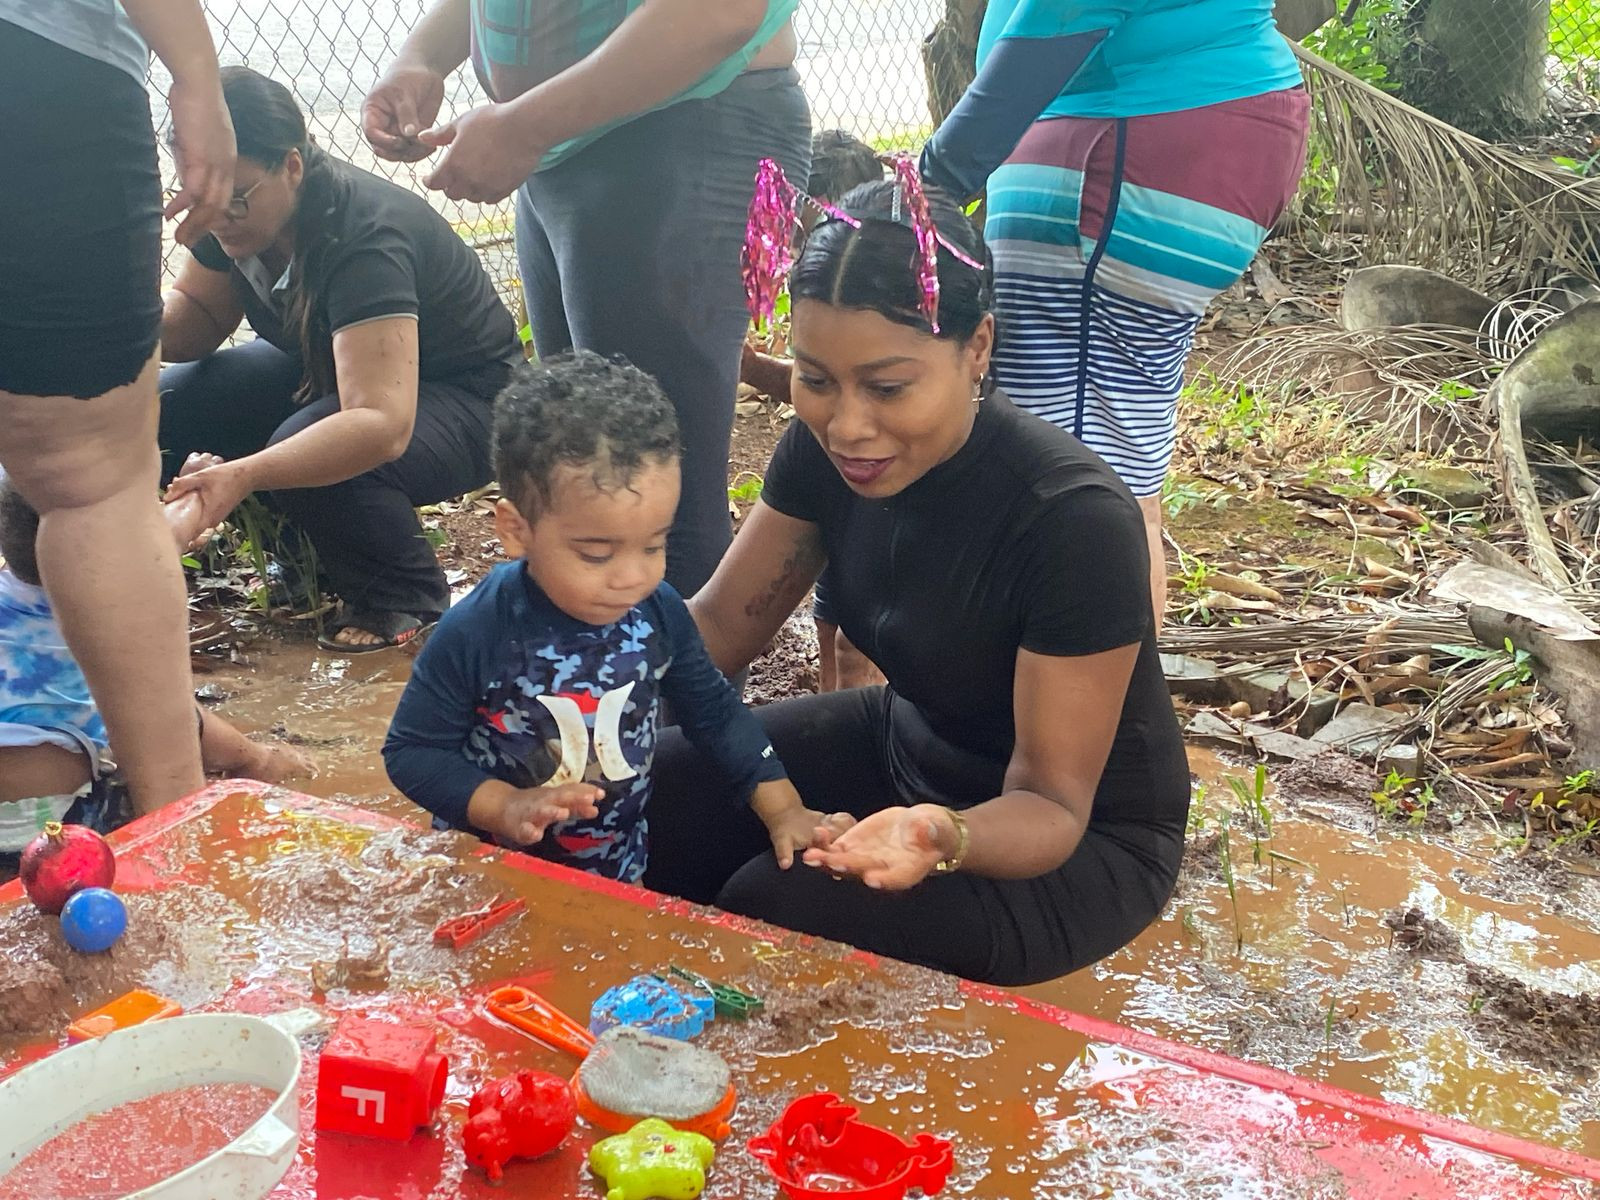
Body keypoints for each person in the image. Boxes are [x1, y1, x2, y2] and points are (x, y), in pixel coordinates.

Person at [642, 175, 1190, 986]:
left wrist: (940, 835)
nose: (846, 426)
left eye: (887, 387)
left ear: (978, 348)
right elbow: (719, 626)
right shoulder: (819, 452)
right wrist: (563, 686)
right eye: (815, 379)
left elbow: (1051, 803)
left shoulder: (1070, 519)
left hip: (1070, 837)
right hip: (904, 740)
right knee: (621, 802)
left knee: (771, 908)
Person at [363, 0, 810, 599]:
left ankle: (679, 664)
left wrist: (524, 127)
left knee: (646, 491)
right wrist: (421, 58)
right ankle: (596, 661)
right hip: (560, 144)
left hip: (683, 126)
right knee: (585, 472)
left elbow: (721, 9)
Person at [383, 352, 842, 884]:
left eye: (653, 545)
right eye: (596, 554)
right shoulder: (480, 628)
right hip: (490, 874)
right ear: (516, 530)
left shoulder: (656, 612)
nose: (631, 578)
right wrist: (502, 805)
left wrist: (784, 809)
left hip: (619, 869)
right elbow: (412, 750)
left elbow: (715, 714)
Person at [918, 0, 1310, 618]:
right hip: (1163, 124)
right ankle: (1121, 676)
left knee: (1065, 470)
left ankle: (1082, 673)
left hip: (1127, 130)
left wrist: (932, 179)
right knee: (1117, 449)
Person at [159, 67, 523, 651]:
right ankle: (308, 560)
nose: (216, 217)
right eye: (198, 198)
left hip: (473, 401)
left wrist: (246, 473)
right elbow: (197, 321)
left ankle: (404, 597)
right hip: (335, 374)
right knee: (170, 401)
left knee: (313, 447)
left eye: (235, 200)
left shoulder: (363, 237)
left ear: (292, 166)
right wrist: (101, 327)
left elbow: (378, 422)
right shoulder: (231, 207)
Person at [0, 0, 234, 814]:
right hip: (39, 62)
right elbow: (156, 525)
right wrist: (195, 75)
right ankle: (174, 831)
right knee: (91, 481)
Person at [0, 479, 313, 871]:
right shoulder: (121, 602)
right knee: (167, 715)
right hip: (61, 828)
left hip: (19, 808)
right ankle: (264, 764)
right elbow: (176, 526)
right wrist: (198, 485)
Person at [740, 129, 887, 693]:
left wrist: (756, 370)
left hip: (880, 489)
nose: (807, 256)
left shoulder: (878, 294)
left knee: (856, 641)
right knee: (831, 625)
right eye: (797, 239)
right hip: (834, 484)